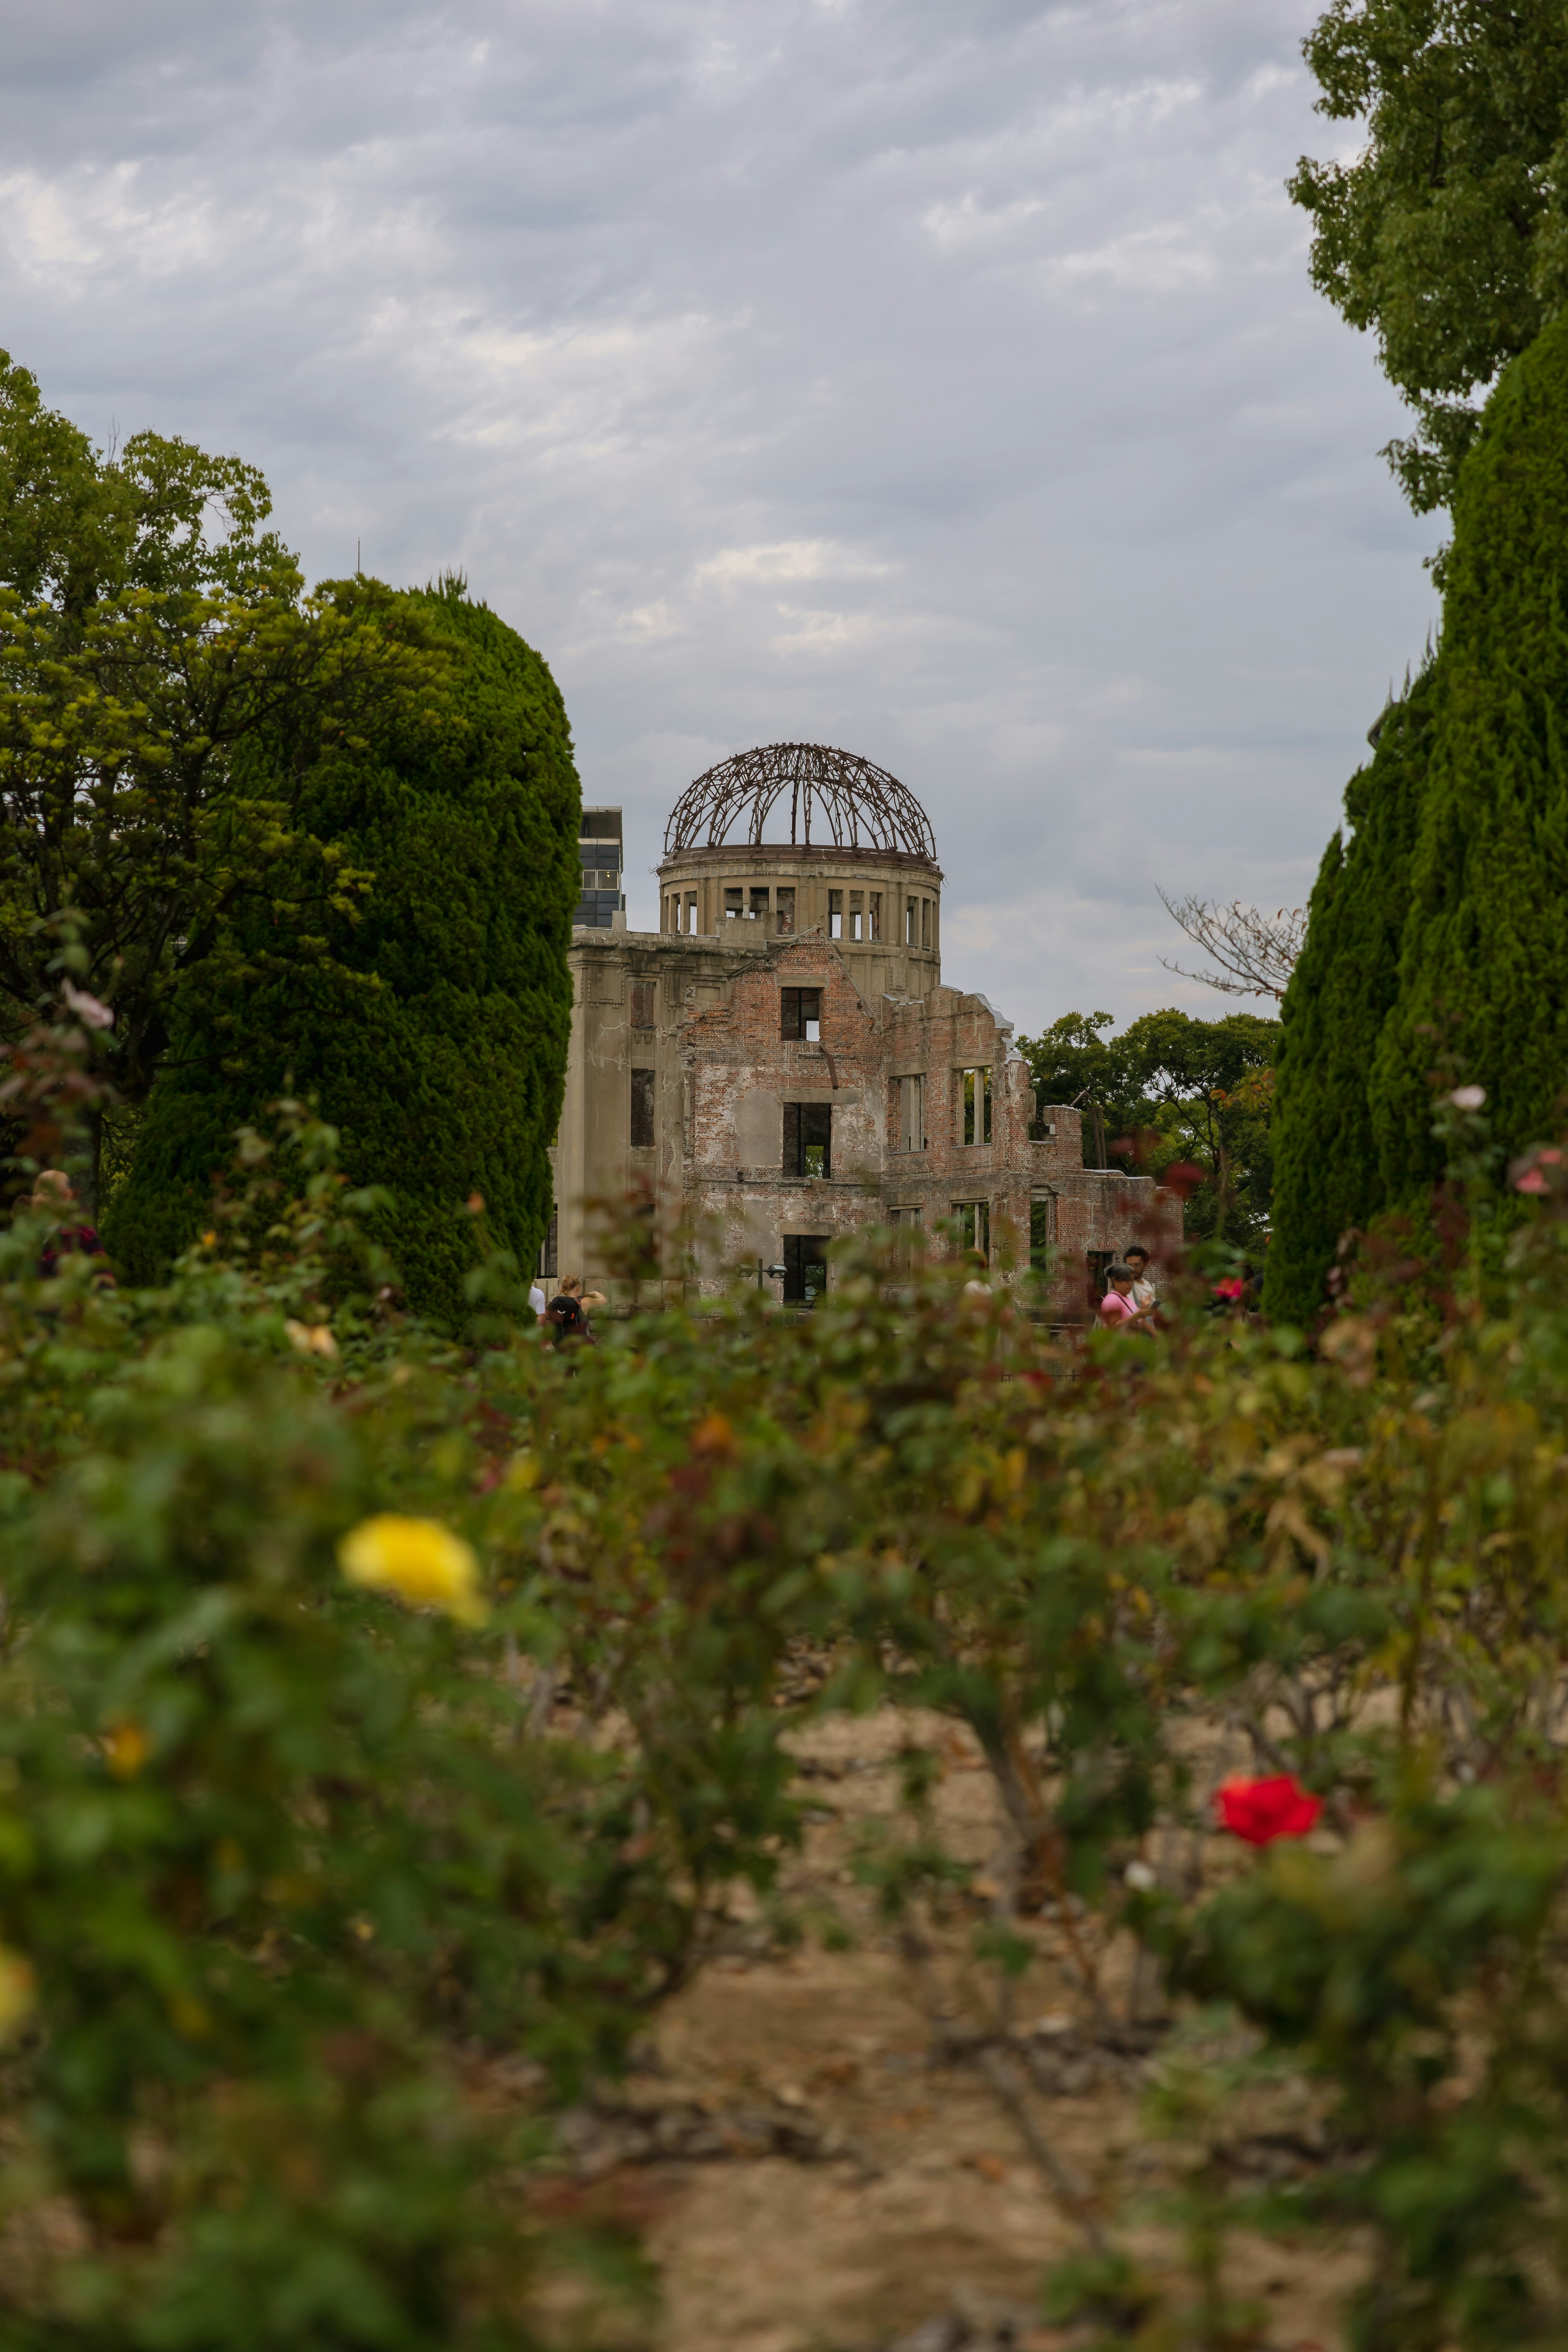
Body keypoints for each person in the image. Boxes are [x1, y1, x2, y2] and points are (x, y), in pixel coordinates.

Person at [28, 1169, 113, 1284]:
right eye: (35, 1194)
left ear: (67, 1196)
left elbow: (104, 1284)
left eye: (46, 1194)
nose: (38, 1200)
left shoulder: (83, 1236)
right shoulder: (25, 1238)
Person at [545, 1273, 607, 1346]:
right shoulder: (584, 1302)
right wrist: (595, 1293)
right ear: (578, 1288)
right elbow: (603, 1300)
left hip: (562, 1349)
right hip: (580, 1349)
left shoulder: (556, 1303)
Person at [1097, 1262, 1145, 1332]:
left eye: (1132, 1281)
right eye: (1126, 1281)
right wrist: (1135, 1317)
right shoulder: (1112, 1300)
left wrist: (1144, 1308)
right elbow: (1112, 1328)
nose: (1130, 1284)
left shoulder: (1126, 1299)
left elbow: (1138, 1324)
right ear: (1115, 1280)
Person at [1124, 1244, 1157, 1318]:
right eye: (1129, 1265)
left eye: (1137, 1265)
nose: (1133, 1269)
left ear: (1146, 1264)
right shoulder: (1124, 1286)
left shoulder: (1150, 1286)